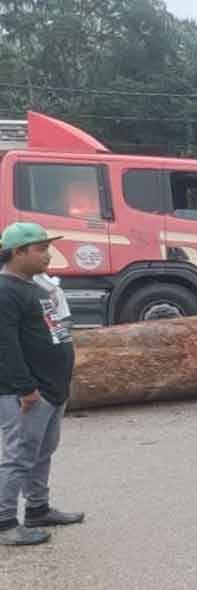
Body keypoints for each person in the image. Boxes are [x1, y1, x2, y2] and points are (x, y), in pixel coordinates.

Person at [0, 222, 83, 546]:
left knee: (41, 452)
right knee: (19, 455)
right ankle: (5, 522)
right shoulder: (5, 291)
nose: (48, 255)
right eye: (41, 249)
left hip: (50, 388)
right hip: (26, 393)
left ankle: (37, 508)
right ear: (18, 252)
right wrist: (25, 388)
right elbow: (5, 345)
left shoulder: (34, 287)